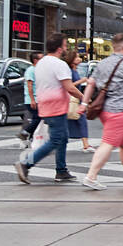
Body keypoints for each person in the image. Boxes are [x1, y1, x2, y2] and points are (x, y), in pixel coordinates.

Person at [15, 35, 86, 183]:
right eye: (65, 45)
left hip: (45, 105)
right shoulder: (59, 64)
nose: (66, 48)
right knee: (56, 139)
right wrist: (85, 99)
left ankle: (61, 170)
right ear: (60, 48)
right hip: (56, 106)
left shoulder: (41, 63)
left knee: (63, 137)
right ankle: (25, 164)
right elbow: (69, 87)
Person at [80, 33, 123, 190]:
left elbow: (91, 83)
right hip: (119, 110)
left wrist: (83, 103)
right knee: (107, 144)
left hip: (105, 110)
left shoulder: (103, 63)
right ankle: (91, 176)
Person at [66, 51, 94, 151]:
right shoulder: (69, 71)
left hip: (75, 99)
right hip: (70, 100)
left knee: (81, 120)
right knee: (77, 120)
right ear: (71, 60)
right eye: (76, 57)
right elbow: (69, 86)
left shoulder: (75, 70)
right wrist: (81, 81)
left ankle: (85, 144)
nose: (79, 58)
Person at [17, 51, 44, 141]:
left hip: (38, 99)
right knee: (38, 117)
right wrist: (32, 100)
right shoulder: (31, 70)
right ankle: (26, 132)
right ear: (35, 60)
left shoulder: (39, 70)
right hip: (32, 100)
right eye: (41, 58)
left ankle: (31, 137)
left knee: (36, 118)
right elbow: (29, 86)